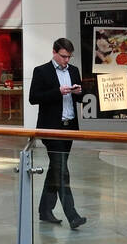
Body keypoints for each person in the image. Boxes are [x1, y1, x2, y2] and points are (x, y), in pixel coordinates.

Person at [29, 38, 87, 229]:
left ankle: (45, 210)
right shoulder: (41, 71)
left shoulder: (73, 71)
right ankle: (73, 216)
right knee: (62, 170)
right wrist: (57, 92)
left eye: (69, 57)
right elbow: (33, 98)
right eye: (63, 56)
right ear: (54, 52)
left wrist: (79, 92)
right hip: (50, 128)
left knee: (57, 168)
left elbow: (80, 98)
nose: (66, 60)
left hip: (69, 127)